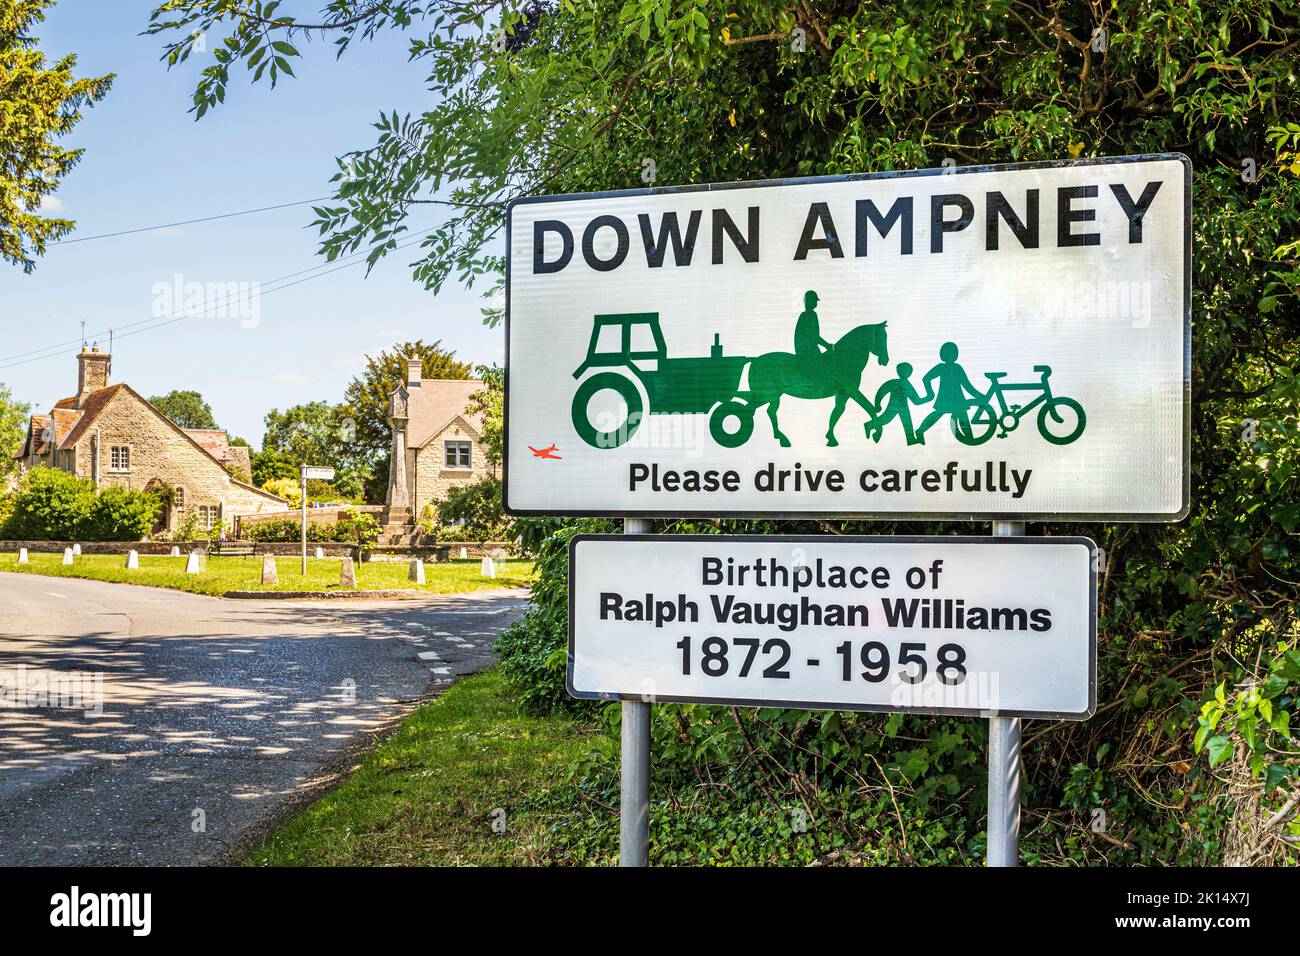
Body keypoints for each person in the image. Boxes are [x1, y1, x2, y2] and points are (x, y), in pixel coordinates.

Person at [915, 341, 984, 444]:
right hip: (946, 398)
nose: (951, 355)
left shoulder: (957, 368)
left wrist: (979, 396)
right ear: (943, 355)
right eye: (948, 353)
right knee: (938, 414)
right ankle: (920, 431)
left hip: (957, 398)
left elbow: (967, 385)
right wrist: (930, 393)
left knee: (962, 416)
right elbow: (926, 379)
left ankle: (970, 439)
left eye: (953, 353)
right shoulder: (941, 367)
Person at [868, 362, 925, 445]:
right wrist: (877, 403)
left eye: (908, 371)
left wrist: (927, 398)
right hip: (894, 407)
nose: (906, 373)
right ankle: (869, 425)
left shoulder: (905, 383)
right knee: (887, 420)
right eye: (905, 371)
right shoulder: (897, 382)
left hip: (903, 407)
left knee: (907, 422)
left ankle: (911, 439)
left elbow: (916, 400)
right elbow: (882, 391)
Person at [793, 290, 832, 364]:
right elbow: (815, 337)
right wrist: (827, 345)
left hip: (802, 349)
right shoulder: (812, 315)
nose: (816, 303)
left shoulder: (804, 315)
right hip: (808, 350)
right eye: (815, 301)